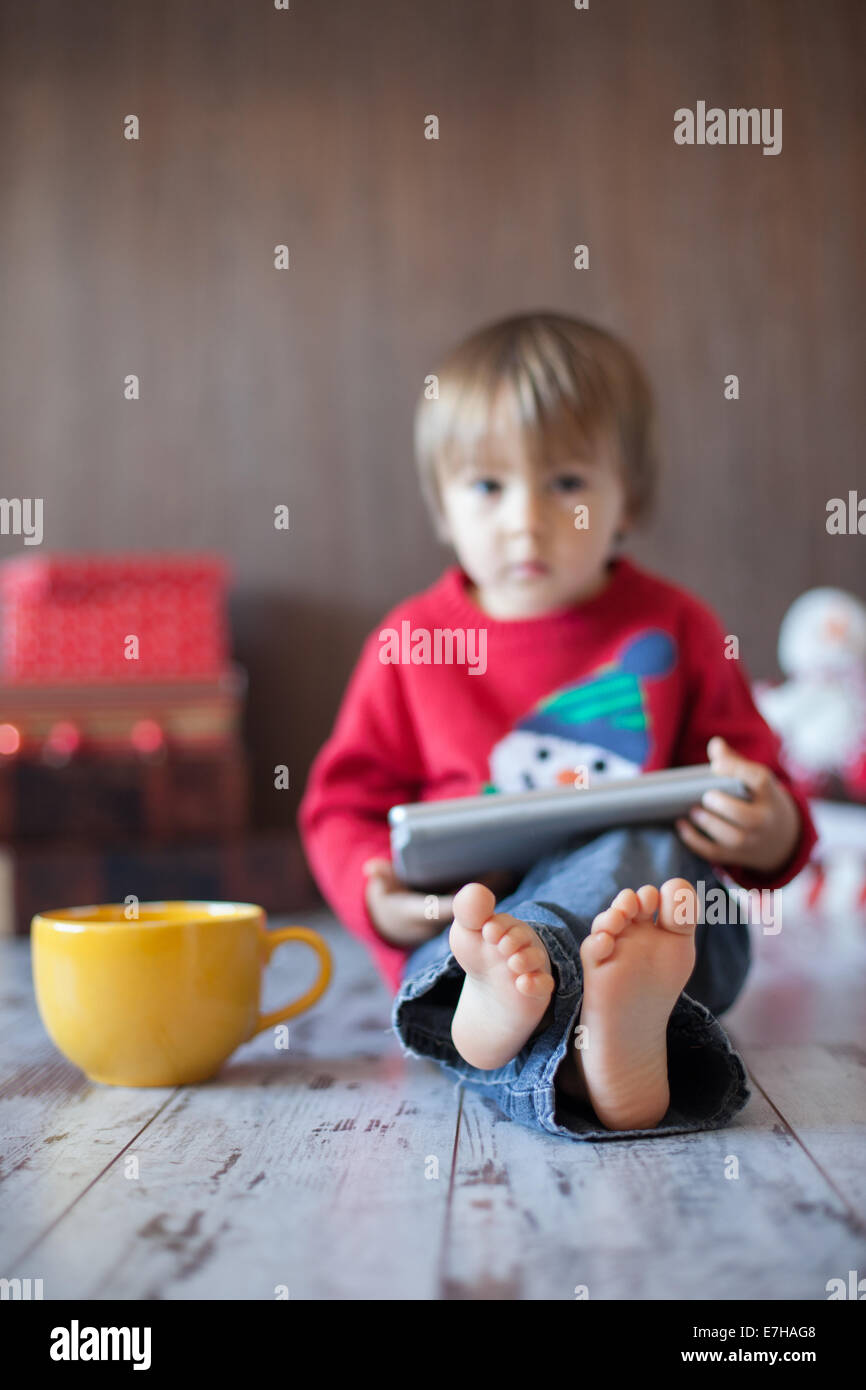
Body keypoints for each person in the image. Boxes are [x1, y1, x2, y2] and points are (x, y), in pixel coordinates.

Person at [298, 311, 816, 1139]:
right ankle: (591, 1060)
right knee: (476, 937)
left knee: (636, 847)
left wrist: (766, 823)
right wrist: (380, 893)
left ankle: (526, 1010)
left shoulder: (677, 627)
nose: (526, 520)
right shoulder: (410, 644)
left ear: (627, 501)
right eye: (488, 487)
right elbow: (339, 808)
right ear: (442, 504)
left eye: (566, 484)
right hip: (469, 930)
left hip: (661, 931)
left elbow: (757, 782)